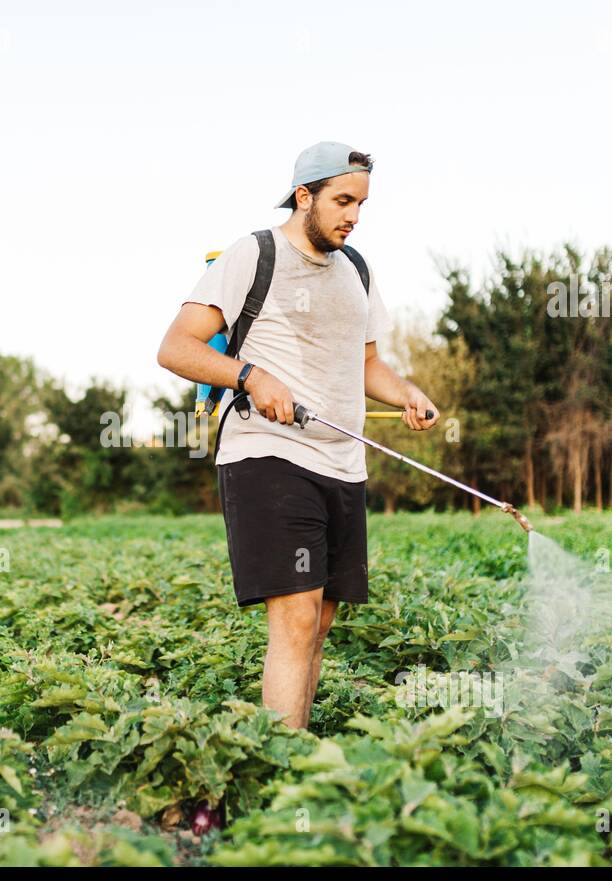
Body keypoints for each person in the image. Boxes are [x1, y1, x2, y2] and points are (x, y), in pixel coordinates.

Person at [157, 141, 439, 730]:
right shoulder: (251, 255)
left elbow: (367, 368)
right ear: (303, 195)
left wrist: (406, 392)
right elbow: (176, 347)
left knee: (319, 624)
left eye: (361, 204)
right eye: (342, 200)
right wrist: (250, 375)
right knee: (295, 617)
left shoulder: (356, 270)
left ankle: (294, 755)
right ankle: (279, 770)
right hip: (268, 452)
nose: (353, 216)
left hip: (343, 463)